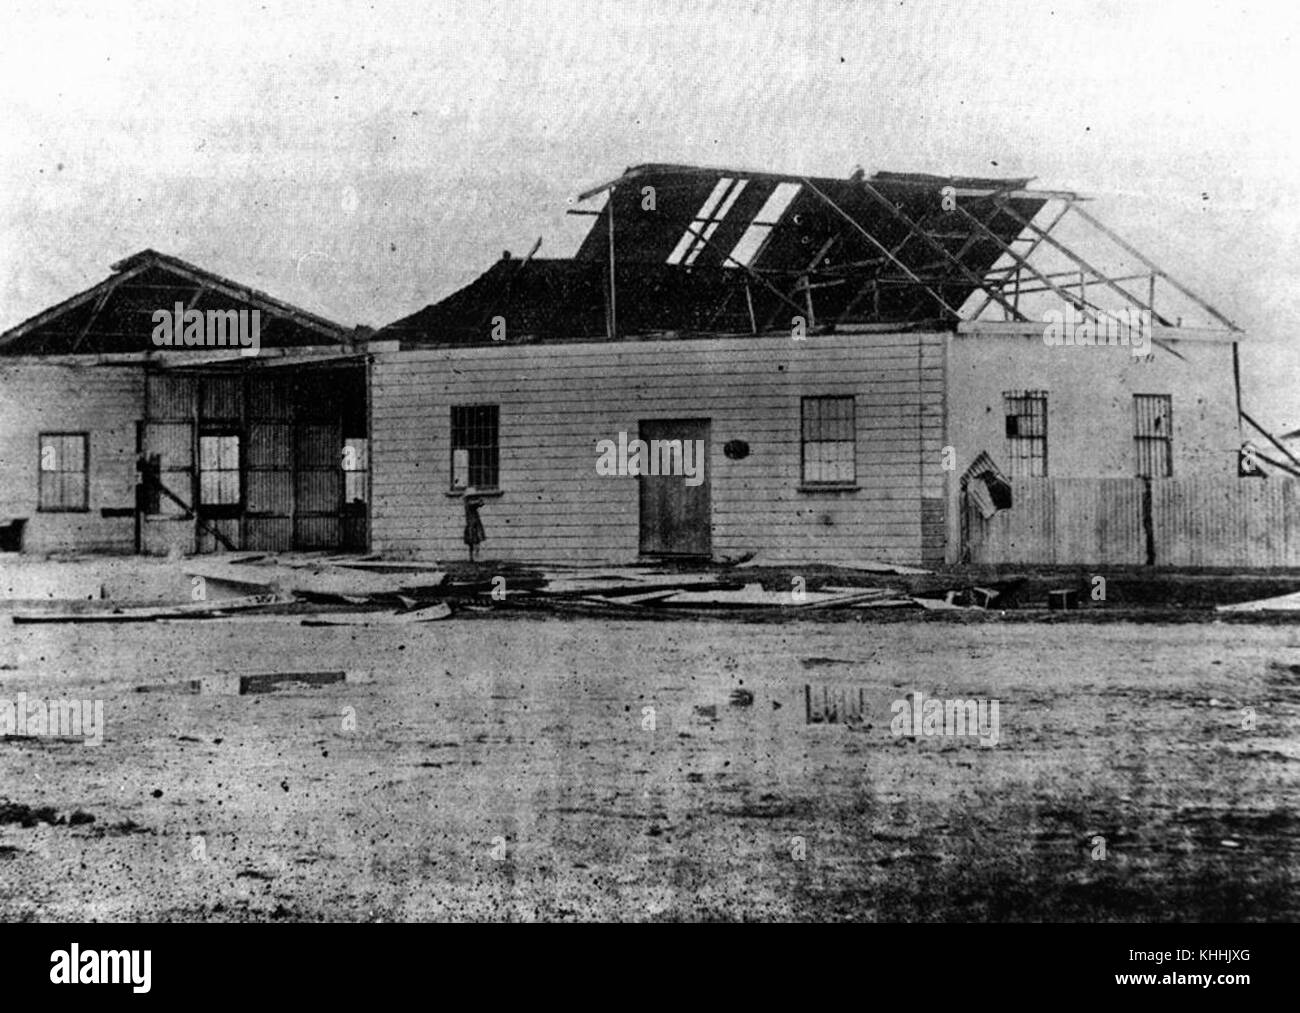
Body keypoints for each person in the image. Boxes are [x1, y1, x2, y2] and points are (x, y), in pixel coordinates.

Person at [462, 486, 486, 562]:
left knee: (474, 541)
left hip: (472, 523)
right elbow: (478, 503)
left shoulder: (469, 503)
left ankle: (473, 556)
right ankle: (474, 556)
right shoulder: (469, 503)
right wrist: (479, 500)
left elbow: (480, 504)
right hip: (472, 523)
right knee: (474, 541)